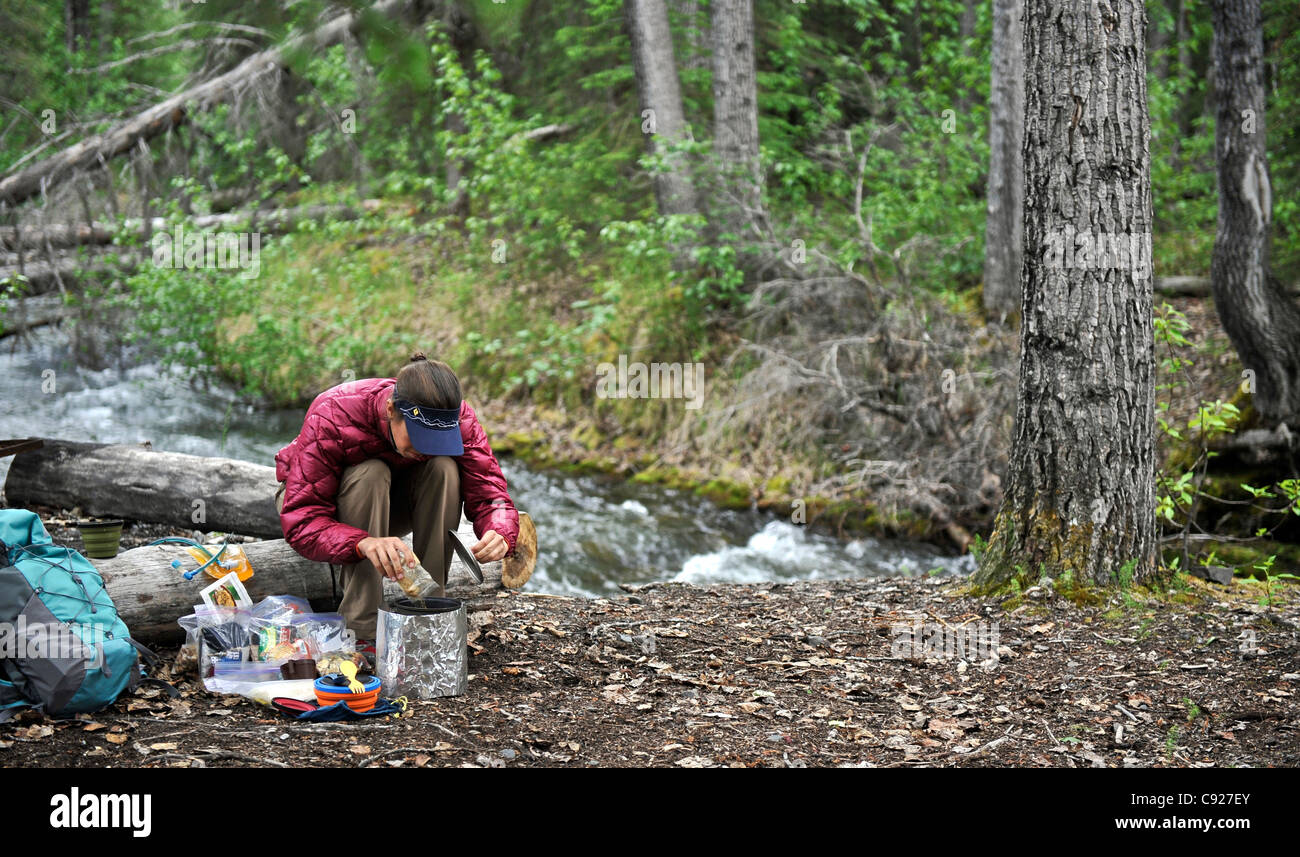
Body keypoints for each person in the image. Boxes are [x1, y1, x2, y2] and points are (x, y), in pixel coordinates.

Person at [274, 352, 519, 650]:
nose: (427, 448)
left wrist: (501, 529)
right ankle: (362, 631)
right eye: (420, 438)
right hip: (324, 509)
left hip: (391, 501)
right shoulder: (334, 411)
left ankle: (429, 611)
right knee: (371, 473)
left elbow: (491, 491)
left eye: (438, 440)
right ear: (391, 409)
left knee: (444, 468)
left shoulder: (458, 417)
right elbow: (303, 519)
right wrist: (363, 543)